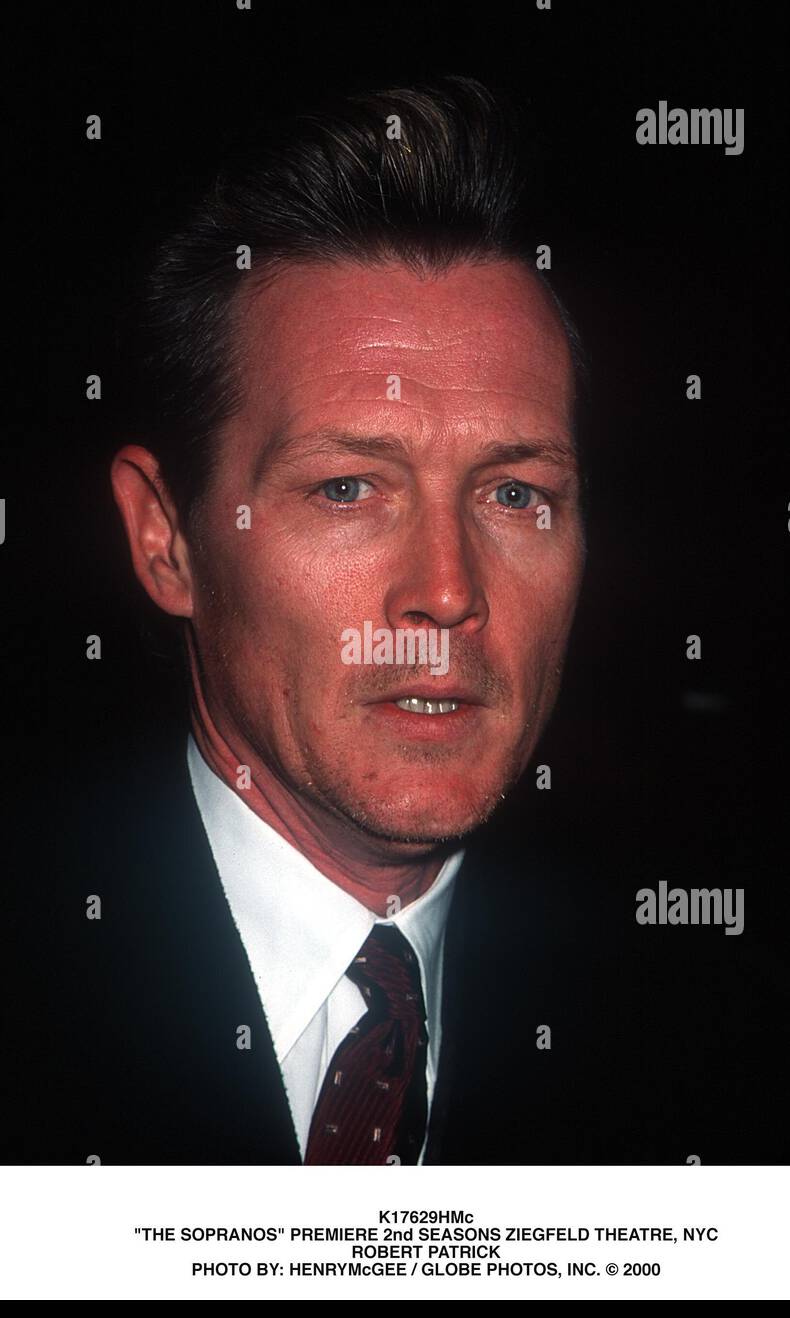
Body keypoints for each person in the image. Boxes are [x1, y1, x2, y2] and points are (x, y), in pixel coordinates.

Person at [27, 77, 774, 1166]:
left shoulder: (713, 1041)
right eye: (346, 488)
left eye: (514, 493)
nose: (447, 590)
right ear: (166, 538)